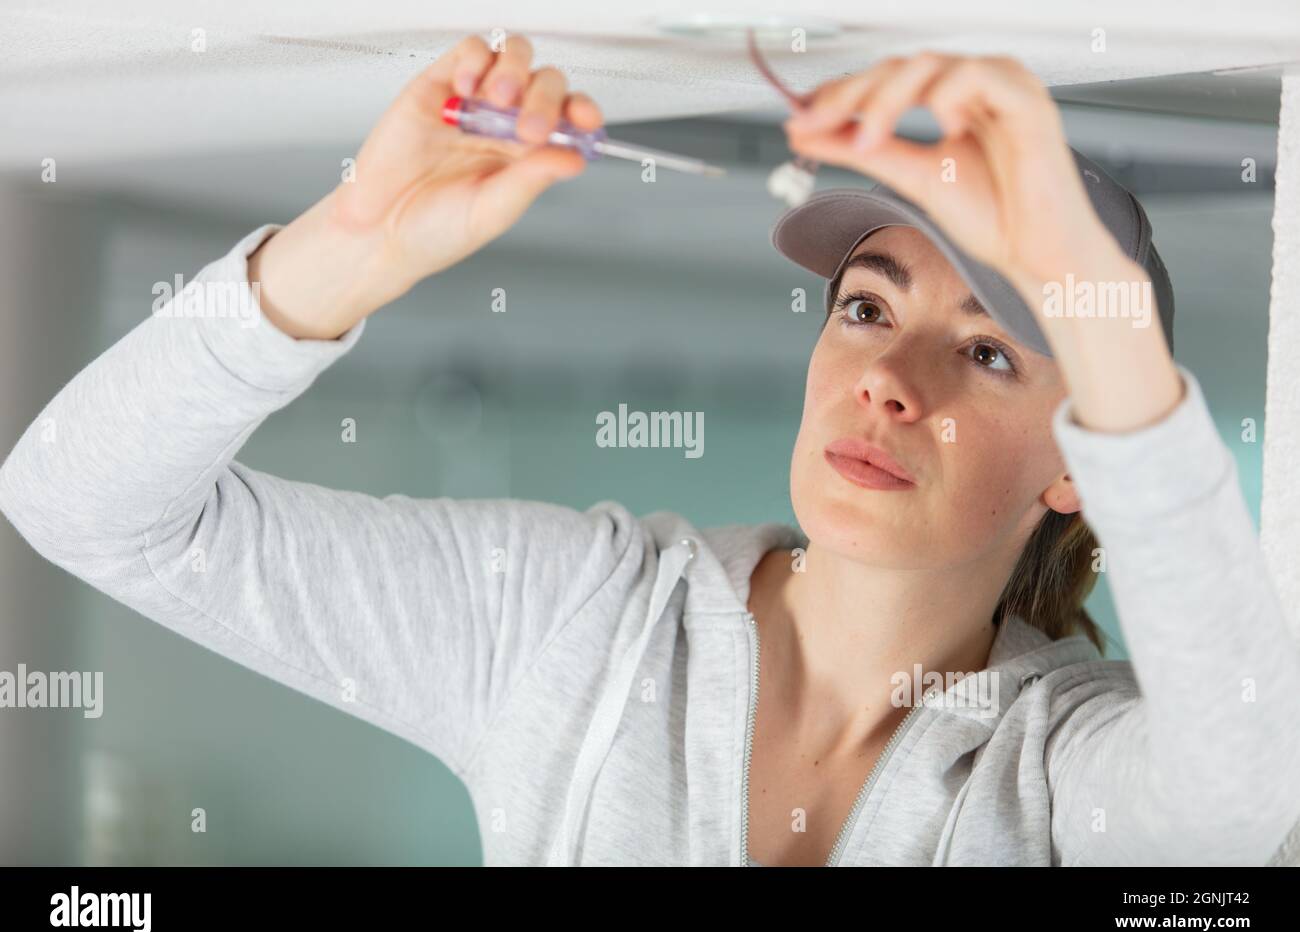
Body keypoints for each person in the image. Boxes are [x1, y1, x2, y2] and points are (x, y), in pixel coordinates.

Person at [1, 34, 1297, 867]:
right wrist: (350, 245)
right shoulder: (572, 624)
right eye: (867, 306)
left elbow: (1248, 795)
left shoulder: (1059, 774)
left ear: (1076, 465)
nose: (891, 384)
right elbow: (82, 503)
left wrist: (1084, 289)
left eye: (992, 349)